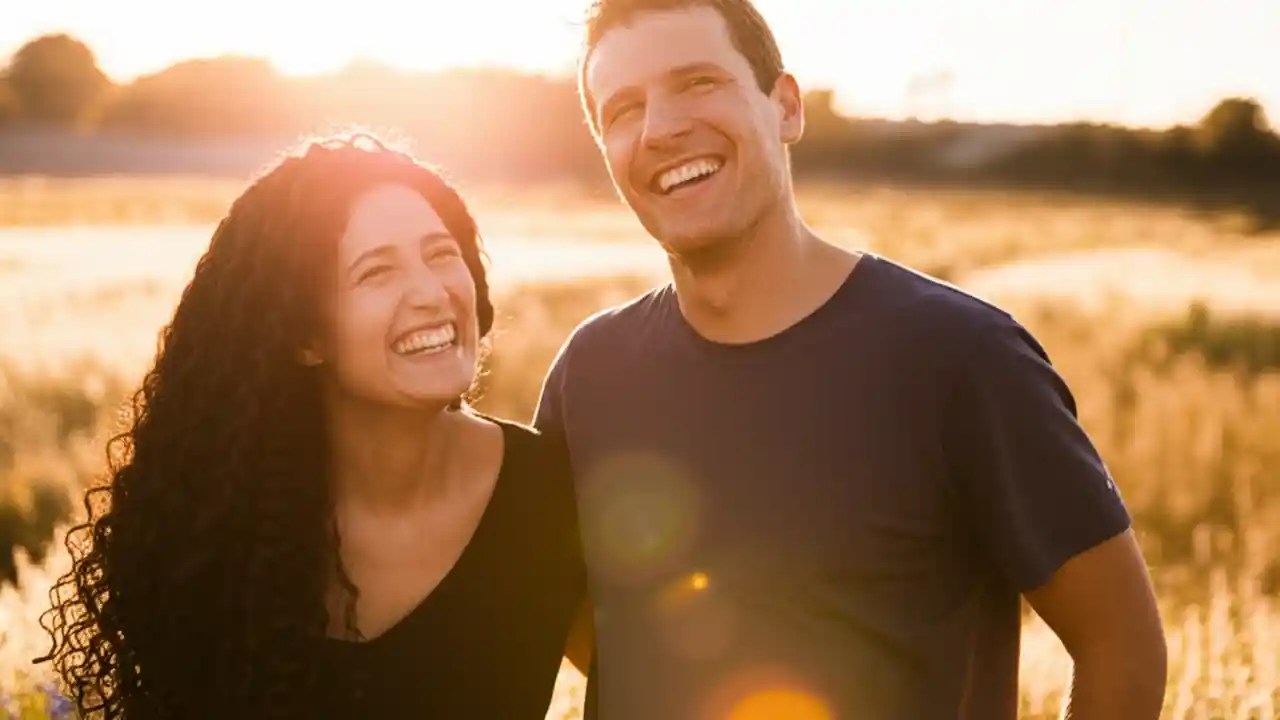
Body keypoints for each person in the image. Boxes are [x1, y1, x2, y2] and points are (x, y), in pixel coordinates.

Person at [535, 1, 1168, 717]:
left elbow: (1121, 643)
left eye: (699, 82)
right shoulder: (590, 376)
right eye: (623, 110)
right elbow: (594, 635)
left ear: (787, 107)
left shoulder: (960, 357)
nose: (662, 128)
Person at [38, 135, 586, 719]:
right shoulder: (207, 520)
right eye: (377, 272)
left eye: (442, 254)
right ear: (302, 336)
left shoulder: (549, 492)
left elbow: (643, 680)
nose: (433, 293)